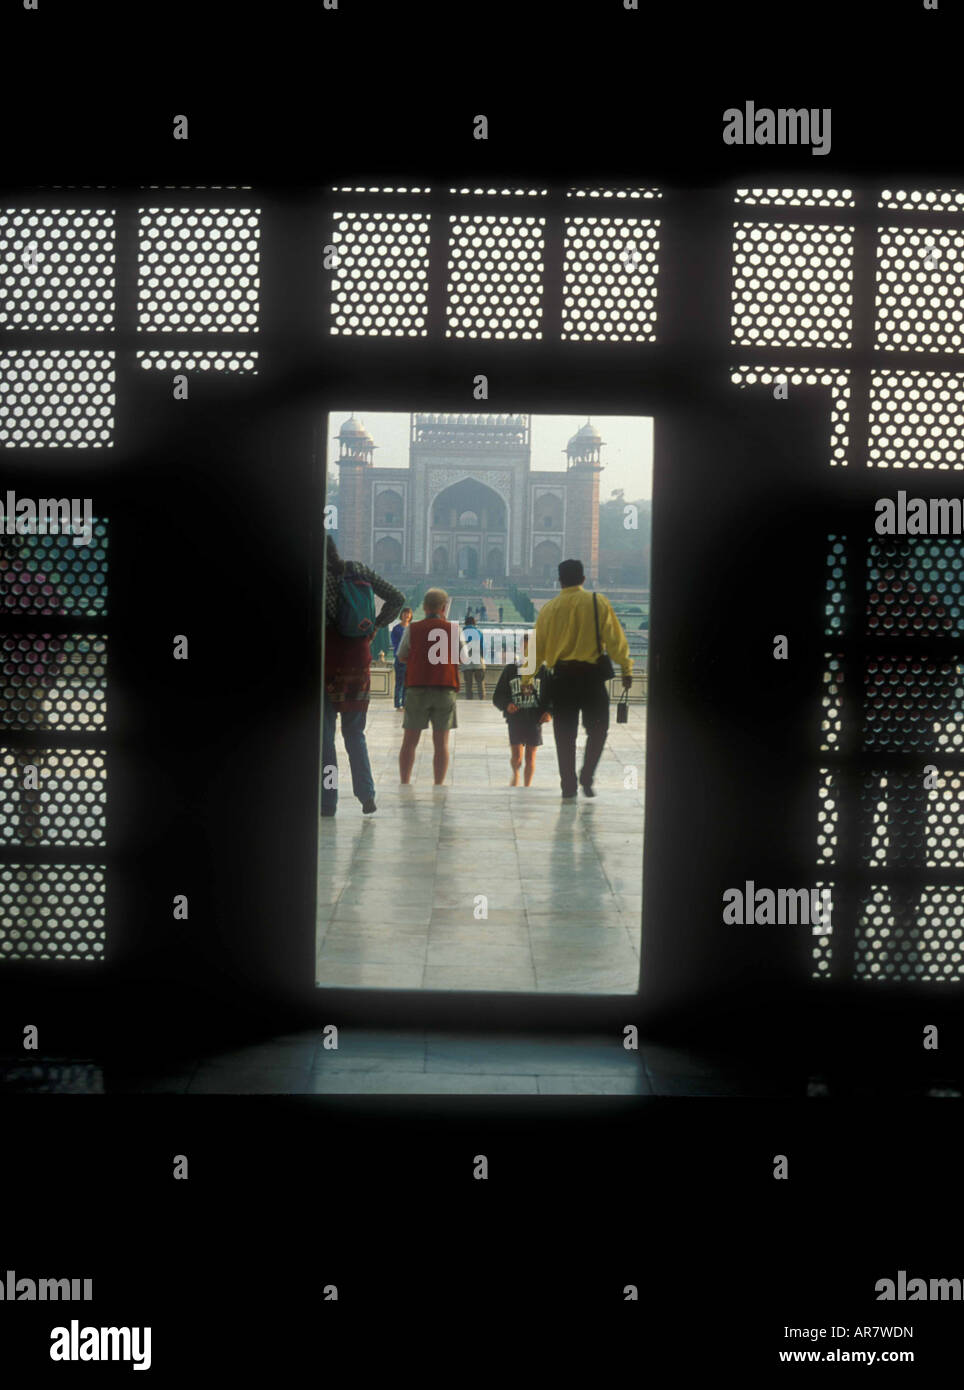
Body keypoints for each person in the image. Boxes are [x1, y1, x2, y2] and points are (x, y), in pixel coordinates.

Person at [534, 557, 632, 800]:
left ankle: (568, 784)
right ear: (583, 579)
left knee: (564, 735)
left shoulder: (549, 609)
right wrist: (626, 669)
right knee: (598, 730)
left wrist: (527, 680)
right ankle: (587, 775)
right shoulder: (597, 603)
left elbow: (536, 649)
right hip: (591, 679)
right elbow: (615, 641)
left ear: (559, 581)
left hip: (562, 680)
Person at [322, 536, 404, 817]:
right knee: (355, 733)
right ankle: (366, 794)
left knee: (325, 739)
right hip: (358, 665)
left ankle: (327, 799)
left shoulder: (319, 577)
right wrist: (376, 627)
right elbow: (397, 597)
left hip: (327, 666)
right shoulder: (357, 569)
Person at [0, 534, 67, 841]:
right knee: (28, 759)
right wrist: (46, 677)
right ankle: (30, 823)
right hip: (29, 686)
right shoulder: (43, 584)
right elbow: (60, 633)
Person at [397, 588, 460, 786]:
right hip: (444, 688)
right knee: (441, 744)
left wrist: (418, 660)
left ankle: (405, 782)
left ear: (424, 607)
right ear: (444, 607)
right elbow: (462, 657)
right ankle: (438, 784)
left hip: (418, 687)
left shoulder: (413, 628)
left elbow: (401, 655)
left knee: (410, 741)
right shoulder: (453, 629)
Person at [492, 660, 551, 786]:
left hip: (535, 719)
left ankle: (527, 785)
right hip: (515, 719)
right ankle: (516, 774)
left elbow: (553, 694)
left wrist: (550, 712)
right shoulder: (511, 669)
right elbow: (498, 696)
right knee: (517, 756)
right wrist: (507, 705)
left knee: (530, 757)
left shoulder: (542, 671)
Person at [390, 607, 413, 709]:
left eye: (408, 614)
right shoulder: (396, 629)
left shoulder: (412, 628)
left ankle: (404, 703)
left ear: (411, 616)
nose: (406, 616)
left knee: (407, 683)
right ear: (401, 615)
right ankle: (397, 703)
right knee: (399, 682)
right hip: (400, 659)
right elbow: (396, 644)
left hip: (409, 660)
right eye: (405, 614)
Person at [460, 614, 486, 699]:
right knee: (480, 683)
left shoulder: (461, 633)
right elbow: (482, 648)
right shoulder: (479, 632)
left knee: (468, 684)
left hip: (466, 660)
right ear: (474, 623)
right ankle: (482, 699)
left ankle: (469, 700)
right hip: (478, 659)